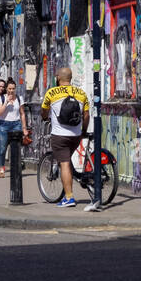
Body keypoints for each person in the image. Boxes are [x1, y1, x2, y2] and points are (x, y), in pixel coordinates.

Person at [40, 67, 90, 208]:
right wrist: (83, 131)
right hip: (76, 136)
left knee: (64, 163)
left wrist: (44, 117)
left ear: (58, 78)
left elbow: (44, 111)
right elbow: (86, 115)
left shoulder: (52, 92)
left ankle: (69, 198)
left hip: (60, 136)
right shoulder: (81, 93)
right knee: (67, 160)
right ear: (70, 78)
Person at [0, 80, 30, 176]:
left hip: (16, 124)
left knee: (16, 147)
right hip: (3, 125)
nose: (11, 91)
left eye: (13, 89)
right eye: (9, 89)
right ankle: (1, 167)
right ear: (6, 89)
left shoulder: (19, 98)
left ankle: (15, 168)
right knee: (3, 148)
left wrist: (24, 128)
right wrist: (6, 103)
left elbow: (22, 114)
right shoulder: (1, 98)